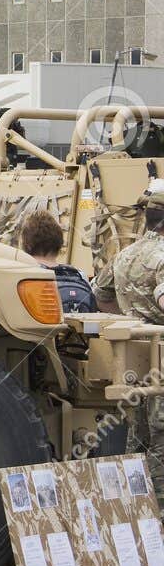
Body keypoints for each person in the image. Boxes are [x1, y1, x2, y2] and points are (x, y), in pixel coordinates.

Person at [92, 186, 164, 502]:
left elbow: (100, 295)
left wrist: (133, 323)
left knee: (139, 443)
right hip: (161, 369)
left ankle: (136, 513)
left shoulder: (124, 255)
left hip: (134, 368)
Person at [18, 210, 96, 313]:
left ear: (26, 244)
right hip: (82, 329)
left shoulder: (21, 276)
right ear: (59, 244)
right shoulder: (80, 275)